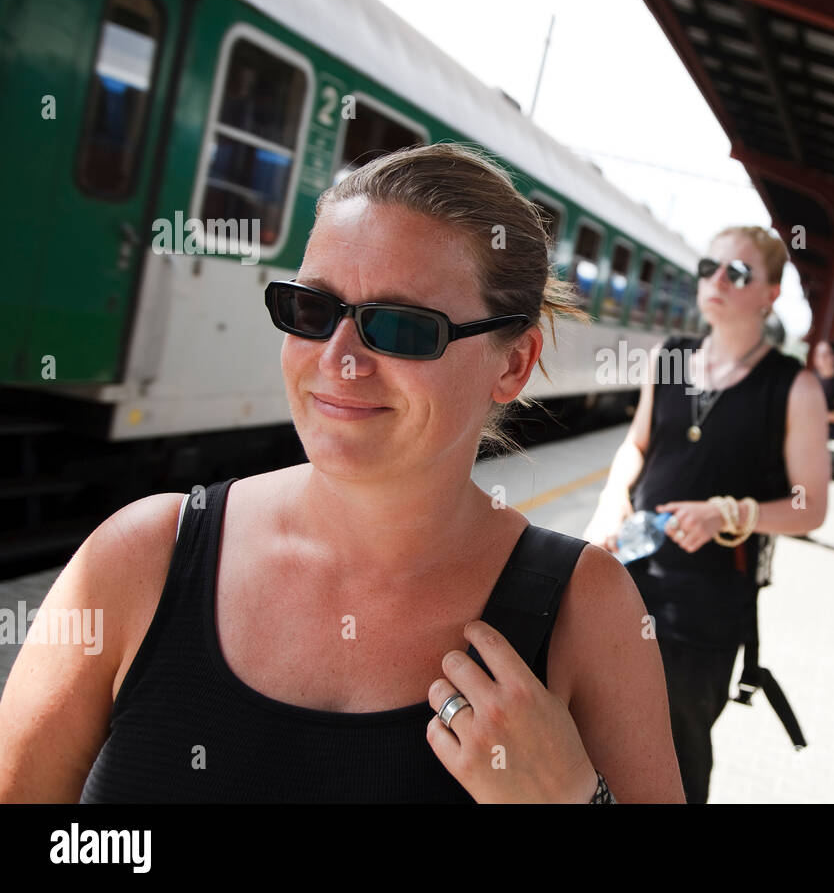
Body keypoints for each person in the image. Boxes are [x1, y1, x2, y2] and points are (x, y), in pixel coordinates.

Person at [0, 143, 684, 803]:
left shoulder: (586, 611)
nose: (340, 359)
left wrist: (571, 801)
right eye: (312, 310)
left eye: (403, 327)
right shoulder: (140, 556)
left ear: (512, 364)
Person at [582, 226, 830, 803]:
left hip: (706, 611)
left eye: (737, 273)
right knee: (587, 735)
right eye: (709, 267)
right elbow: (637, 445)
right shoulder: (669, 356)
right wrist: (612, 502)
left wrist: (730, 513)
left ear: (770, 293)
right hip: (626, 579)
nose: (716, 281)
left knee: (676, 758)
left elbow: (810, 507)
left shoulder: (794, 388)